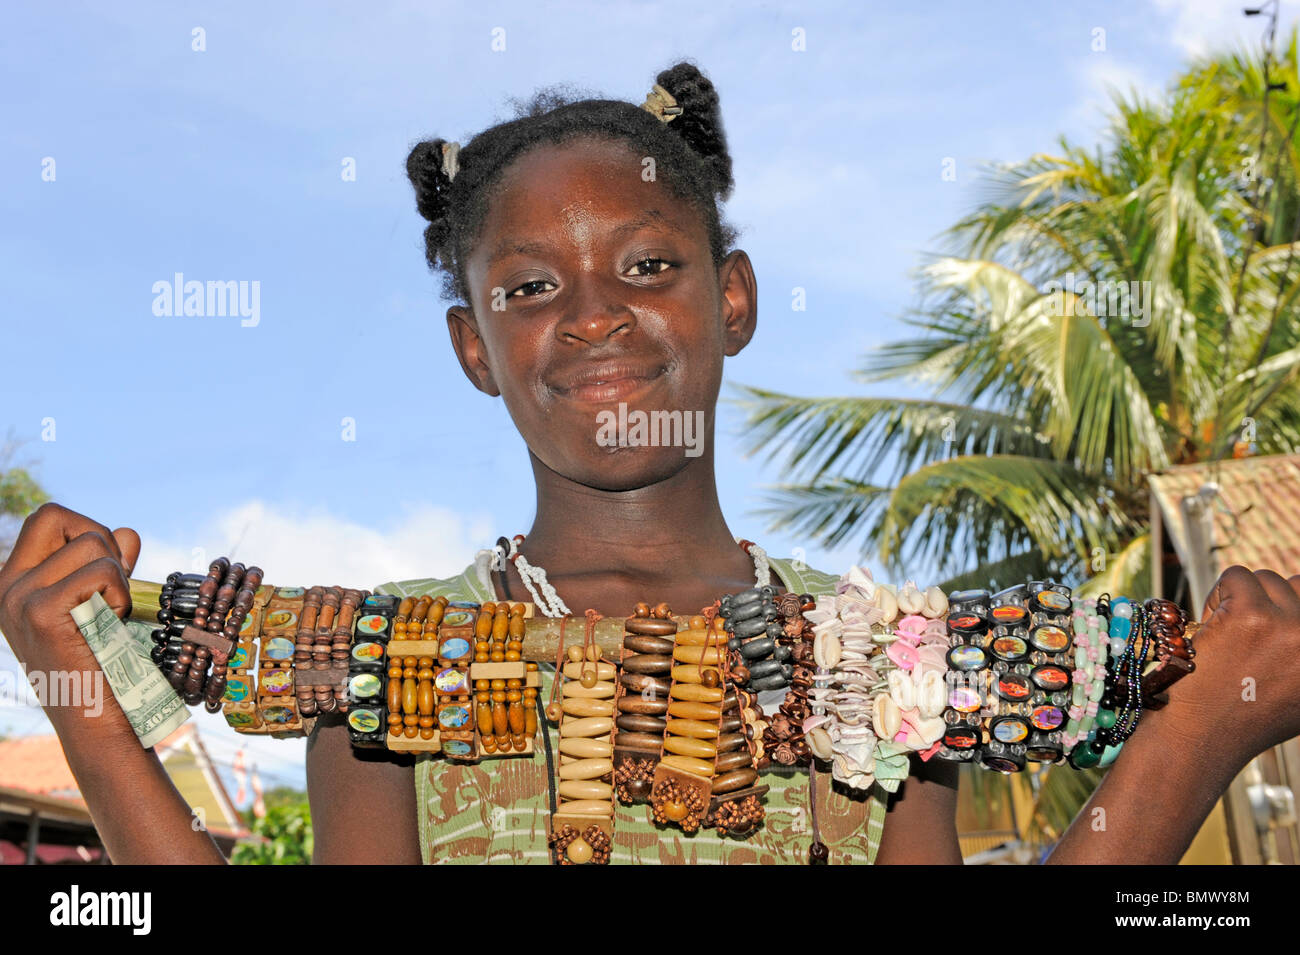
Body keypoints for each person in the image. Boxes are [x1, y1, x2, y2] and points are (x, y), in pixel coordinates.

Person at [2, 61, 1298, 865]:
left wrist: (1193, 732)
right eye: (528, 284)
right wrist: (85, 698)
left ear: (731, 298)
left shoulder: (885, 673)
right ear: (473, 345)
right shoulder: (376, 676)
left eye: (648, 265)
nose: (595, 316)